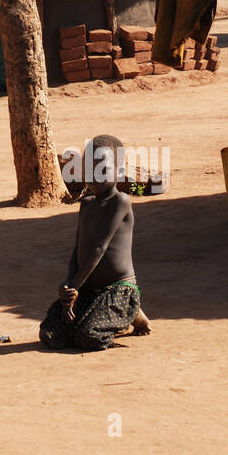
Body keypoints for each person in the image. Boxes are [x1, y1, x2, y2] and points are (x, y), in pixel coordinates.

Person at [40, 135, 151, 351]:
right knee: (51, 333)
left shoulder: (120, 201)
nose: (95, 175)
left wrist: (74, 286)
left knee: (88, 338)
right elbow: (77, 251)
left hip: (118, 288)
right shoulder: (86, 204)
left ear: (119, 172)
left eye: (103, 169)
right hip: (88, 289)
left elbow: (98, 249)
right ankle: (112, 317)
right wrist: (67, 287)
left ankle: (131, 314)